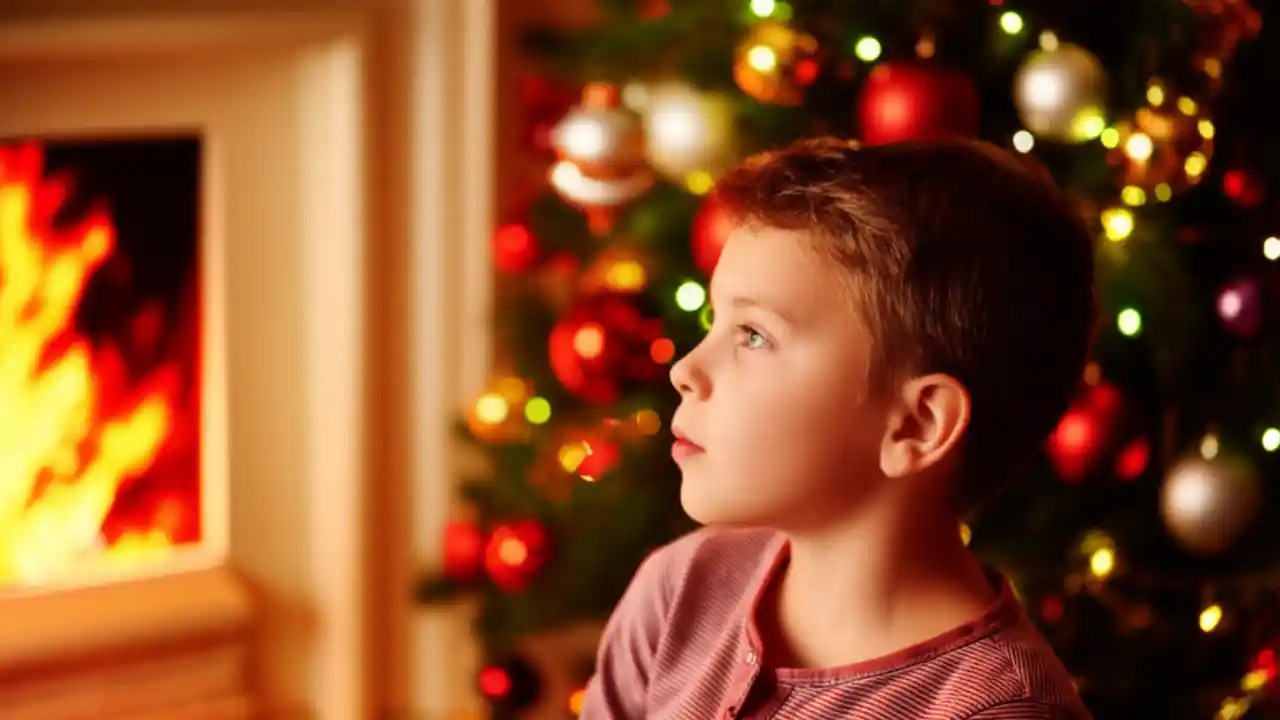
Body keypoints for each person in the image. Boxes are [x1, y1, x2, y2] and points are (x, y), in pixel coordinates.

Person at [579, 137, 1096, 720]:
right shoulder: (680, 590)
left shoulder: (995, 710)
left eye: (753, 335)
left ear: (916, 424)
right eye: (712, 319)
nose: (685, 370)